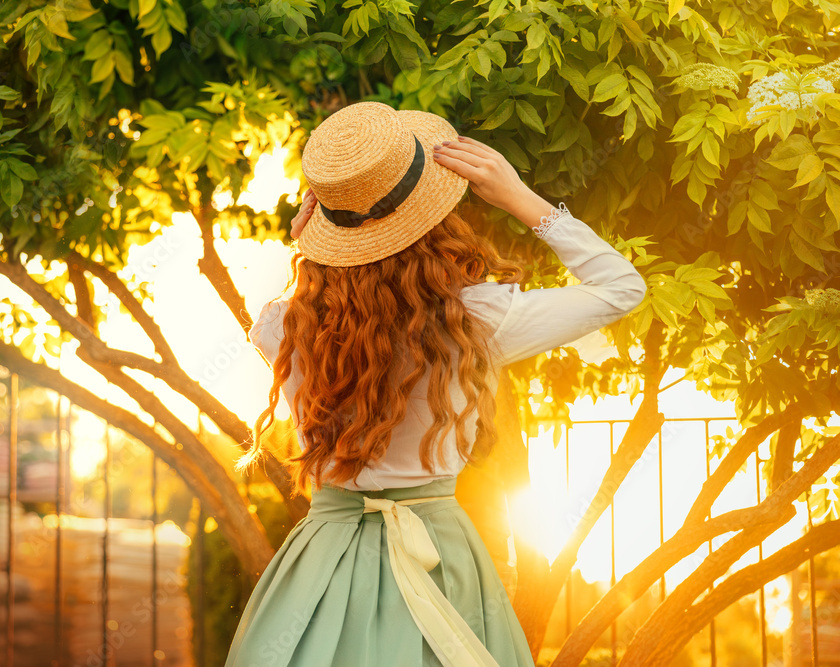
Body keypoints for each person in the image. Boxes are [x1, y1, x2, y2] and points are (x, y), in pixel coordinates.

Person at [226, 101, 647, 666]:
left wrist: (305, 249)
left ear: (324, 226)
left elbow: (283, 309)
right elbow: (621, 288)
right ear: (435, 218)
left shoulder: (284, 325)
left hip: (321, 559)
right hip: (439, 552)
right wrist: (519, 197)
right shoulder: (472, 319)